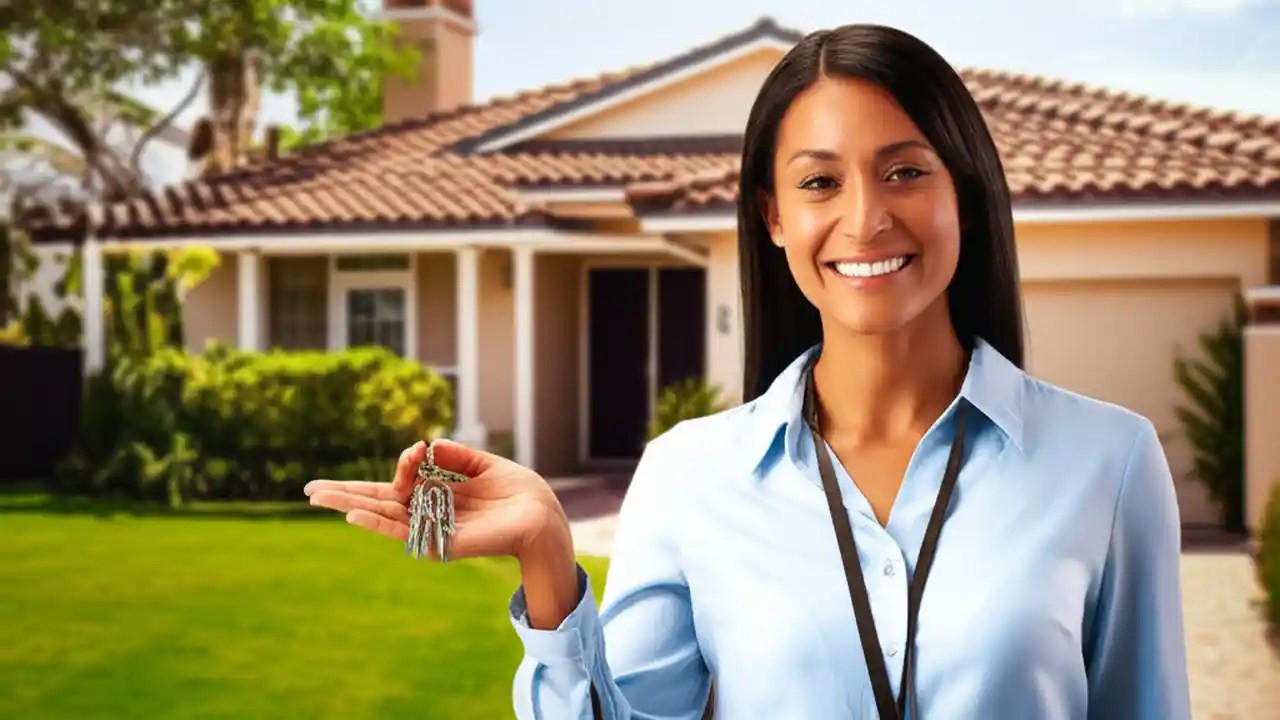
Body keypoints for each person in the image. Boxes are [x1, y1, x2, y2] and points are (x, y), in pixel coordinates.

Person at [303, 22, 1192, 720]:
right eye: (820, 183)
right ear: (772, 216)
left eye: (904, 171)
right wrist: (547, 557)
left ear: (963, 189)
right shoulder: (689, 476)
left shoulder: (1108, 462)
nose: (865, 219)